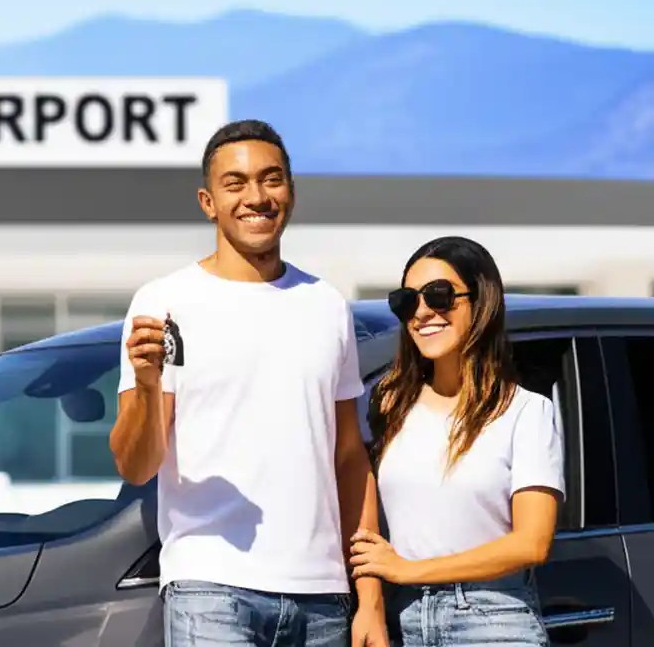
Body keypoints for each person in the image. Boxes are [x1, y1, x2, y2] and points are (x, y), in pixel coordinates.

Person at [110, 119, 389, 646]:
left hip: (324, 597)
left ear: (290, 190)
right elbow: (137, 464)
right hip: (211, 590)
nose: (256, 197)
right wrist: (147, 388)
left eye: (271, 179)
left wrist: (368, 595)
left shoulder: (327, 306)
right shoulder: (163, 302)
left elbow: (350, 457)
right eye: (235, 184)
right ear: (208, 202)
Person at [349, 236, 564, 646]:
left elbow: (532, 543)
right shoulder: (388, 404)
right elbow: (365, 515)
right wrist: (372, 601)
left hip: (493, 618)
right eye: (407, 301)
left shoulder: (525, 412)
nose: (422, 312)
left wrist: (408, 570)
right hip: (404, 619)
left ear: (479, 301)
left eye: (439, 295)